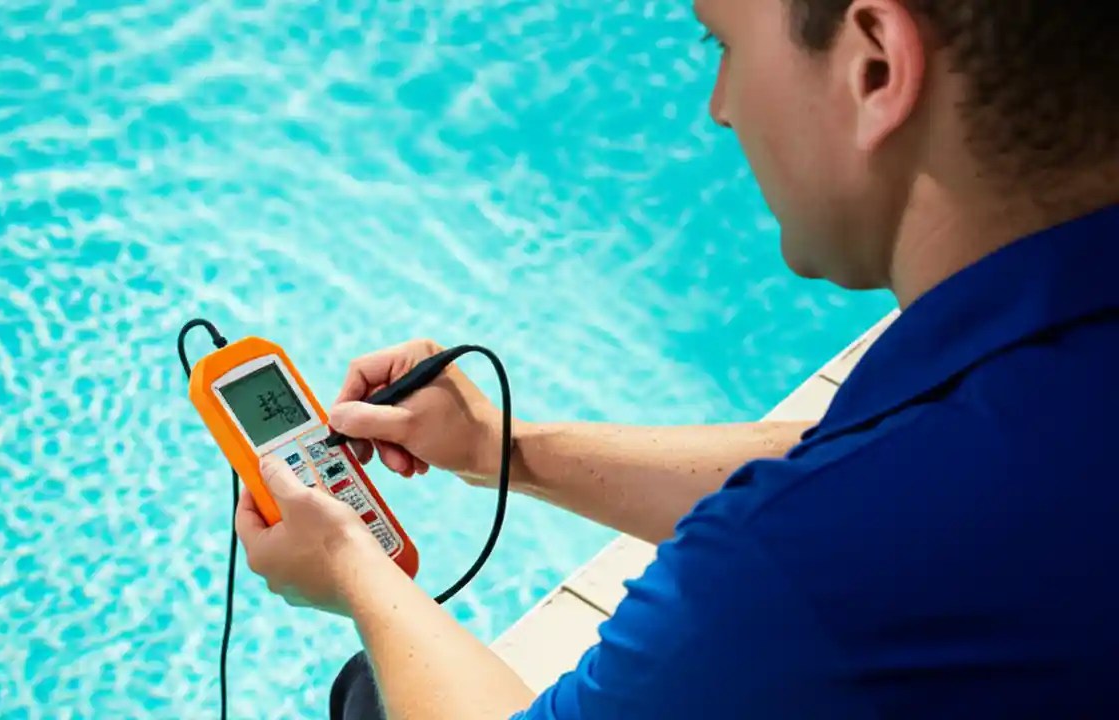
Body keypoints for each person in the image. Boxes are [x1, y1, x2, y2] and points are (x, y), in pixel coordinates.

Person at [233, 0, 1119, 717]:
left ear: (874, 65)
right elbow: (872, 466)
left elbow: (841, 521)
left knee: (372, 690)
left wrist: (353, 569)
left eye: (724, 45)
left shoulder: (800, 575)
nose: (720, 104)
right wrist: (501, 448)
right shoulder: (1026, 386)